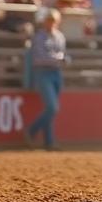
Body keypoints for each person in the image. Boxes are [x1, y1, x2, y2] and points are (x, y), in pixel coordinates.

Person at [26, 9, 68, 150]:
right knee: (52, 108)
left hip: (56, 72)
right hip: (43, 72)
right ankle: (32, 130)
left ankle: (49, 142)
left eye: (53, 20)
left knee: (50, 109)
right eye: (49, 20)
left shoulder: (60, 37)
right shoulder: (39, 37)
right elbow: (39, 57)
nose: (50, 23)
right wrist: (58, 58)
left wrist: (65, 59)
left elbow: (63, 54)